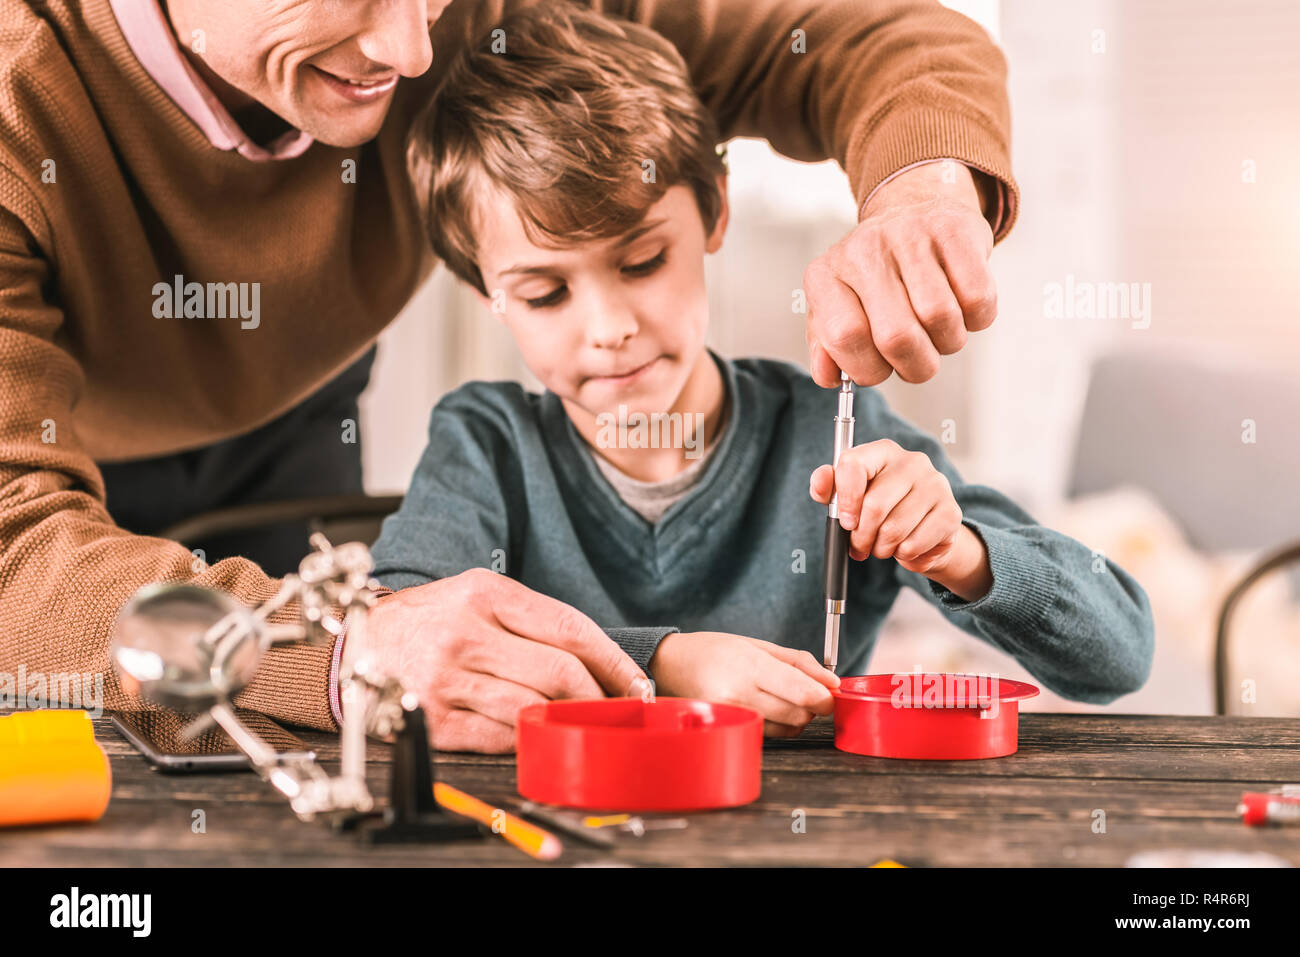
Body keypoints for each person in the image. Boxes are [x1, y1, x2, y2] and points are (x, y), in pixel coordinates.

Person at [0, 0, 1019, 751]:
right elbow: (13, 556)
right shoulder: (16, 102)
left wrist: (919, 189)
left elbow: (876, 34)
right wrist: (331, 649)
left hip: (299, 397)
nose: (410, 52)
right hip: (47, 481)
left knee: (301, 774)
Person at [369, 1, 1154, 747]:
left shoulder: (828, 432)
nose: (609, 330)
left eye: (643, 261)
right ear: (483, 287)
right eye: (545, 292)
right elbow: (392, 642)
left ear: (714, 208)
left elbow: (1120, 653)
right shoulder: (484, 443)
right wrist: (666, 665)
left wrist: (962, 551)